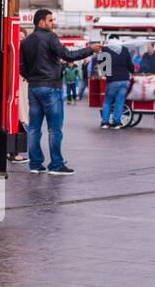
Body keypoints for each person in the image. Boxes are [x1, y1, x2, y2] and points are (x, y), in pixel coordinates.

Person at [18, 9, 100, 175]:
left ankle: (35, 164)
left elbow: (21, 66)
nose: (52, 23)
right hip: (51, 87)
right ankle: (56, 164)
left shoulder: (25, 42)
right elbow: (67, 55)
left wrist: (32, 77)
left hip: (34, 88)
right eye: (50, 20)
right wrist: (90, 50)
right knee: (55, 128)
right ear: (41, 22)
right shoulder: (50, 37)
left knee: (34, 128)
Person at [96, 36, 134, 129]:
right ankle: (117, 123)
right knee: (119, 102)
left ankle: (105, 122)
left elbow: (102, 65)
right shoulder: (124, 49)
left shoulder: (105, 49)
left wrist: (107, 73)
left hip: (113, 80)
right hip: (125, 79)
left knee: (107, 101)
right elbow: (131, 66)